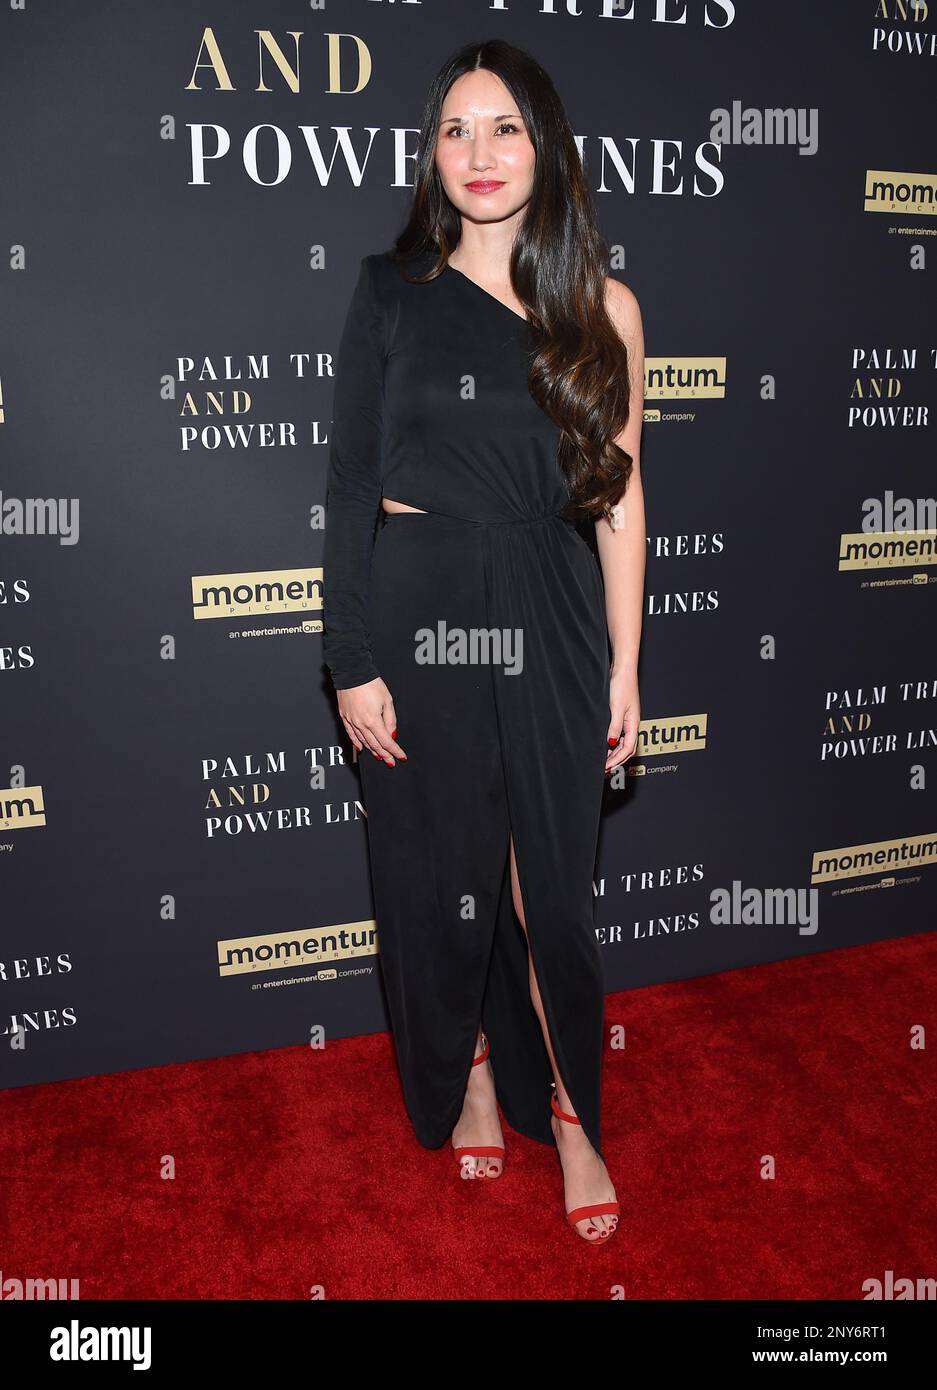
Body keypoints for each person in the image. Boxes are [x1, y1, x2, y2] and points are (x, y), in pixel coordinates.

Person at [322, 38, 645, 1243]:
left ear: (544, 143)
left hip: (553, 603)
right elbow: (350, 480)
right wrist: (349, 652)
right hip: (419, 603)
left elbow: (618, 498)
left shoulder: (600, 306)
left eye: (504, 126)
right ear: (430, 155)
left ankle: (567, 1110)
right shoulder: (387, 290)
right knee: (439, 868)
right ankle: (463, 1072)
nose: (480, 153)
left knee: (549, 891)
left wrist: (626, 663)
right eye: (456, 130)